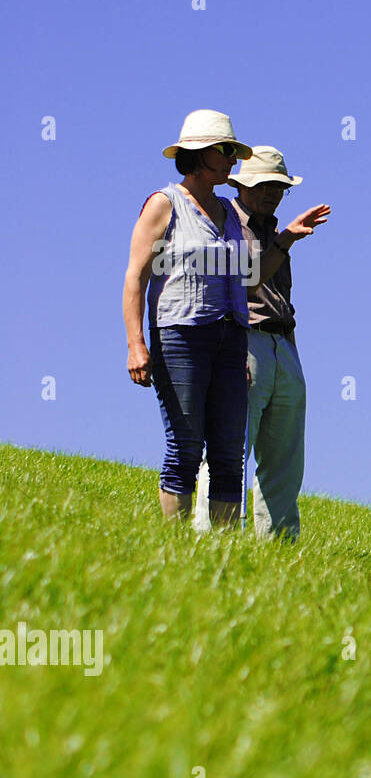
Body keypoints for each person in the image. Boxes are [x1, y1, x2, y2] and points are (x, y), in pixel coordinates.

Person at [122, 109, 253, 524]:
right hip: (180, 336)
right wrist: (136, 344)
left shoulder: (231, 213)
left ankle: (227, 555)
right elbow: (136, 277)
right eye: (225, 150)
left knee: (229, 451)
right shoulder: (165, 204)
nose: (233, 159)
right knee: (186, 443)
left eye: (233, 150)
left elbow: (242, 280)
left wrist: (242, 350)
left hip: (230, 339)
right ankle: (173, 549)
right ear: (198, 154)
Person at [193, 146, 329, 539]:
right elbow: (242, 278)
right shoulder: (225, 219)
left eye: (280, 187)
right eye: (265, 185)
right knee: (231, 447)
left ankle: (281, 546)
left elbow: (279, 296)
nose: (272, 193)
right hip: (245, 341)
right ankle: (212, 537)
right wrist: (285, 240)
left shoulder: (276, 230)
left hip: (282, 345)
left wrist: (291, 352)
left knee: (286, 458)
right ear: (242, 184)